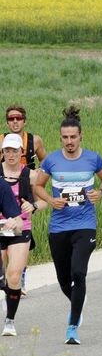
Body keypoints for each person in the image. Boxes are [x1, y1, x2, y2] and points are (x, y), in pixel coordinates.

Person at [32, 107, 102, 345]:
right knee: (63, 279)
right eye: (65, 137)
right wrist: (50, 200)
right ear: (61, 138)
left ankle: (72, 326)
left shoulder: (92, 158)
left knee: (79, 272)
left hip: (85, 223)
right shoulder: (51, 161)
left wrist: (100, 192)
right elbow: (38, 187)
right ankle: (78, 300)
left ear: (81, 137)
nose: (69, 141)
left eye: (73, 137)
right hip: (59, 226)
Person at [1, 133, 43, 336]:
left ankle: (10, 320)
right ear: (2, 152)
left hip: (20, 228)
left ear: (21, 152)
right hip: (0, 227)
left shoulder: (31, 175)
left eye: (14, 151)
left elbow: (44, 201)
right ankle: (7, 293)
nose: (11, 155)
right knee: (2, 277)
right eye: (7, 150)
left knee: (14, 275)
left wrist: (32, 206)